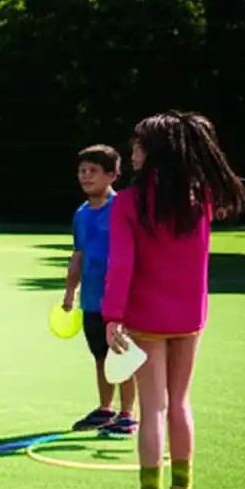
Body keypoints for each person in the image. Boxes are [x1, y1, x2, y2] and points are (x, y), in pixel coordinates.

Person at [103, 111, 245, 489]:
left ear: (156, 152)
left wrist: (112, 316)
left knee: (153, 409)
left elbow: (121, 263)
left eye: (139, 145)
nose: (133, 152)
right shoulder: (197, 198)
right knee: (179, 402)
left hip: (147, 318)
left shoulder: (128, 201)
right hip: (189, 316)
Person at [61, 145, 138, 436]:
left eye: (93, 171)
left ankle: (127, 414)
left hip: (120, 299)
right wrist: (70, 292)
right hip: (91, 299)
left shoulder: (121, 208)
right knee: (101, 356)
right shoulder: (81, 214)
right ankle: (105, 409)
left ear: (112, 175)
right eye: (82, 171)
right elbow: (78, 255)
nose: (85, 176)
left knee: (123, 355)